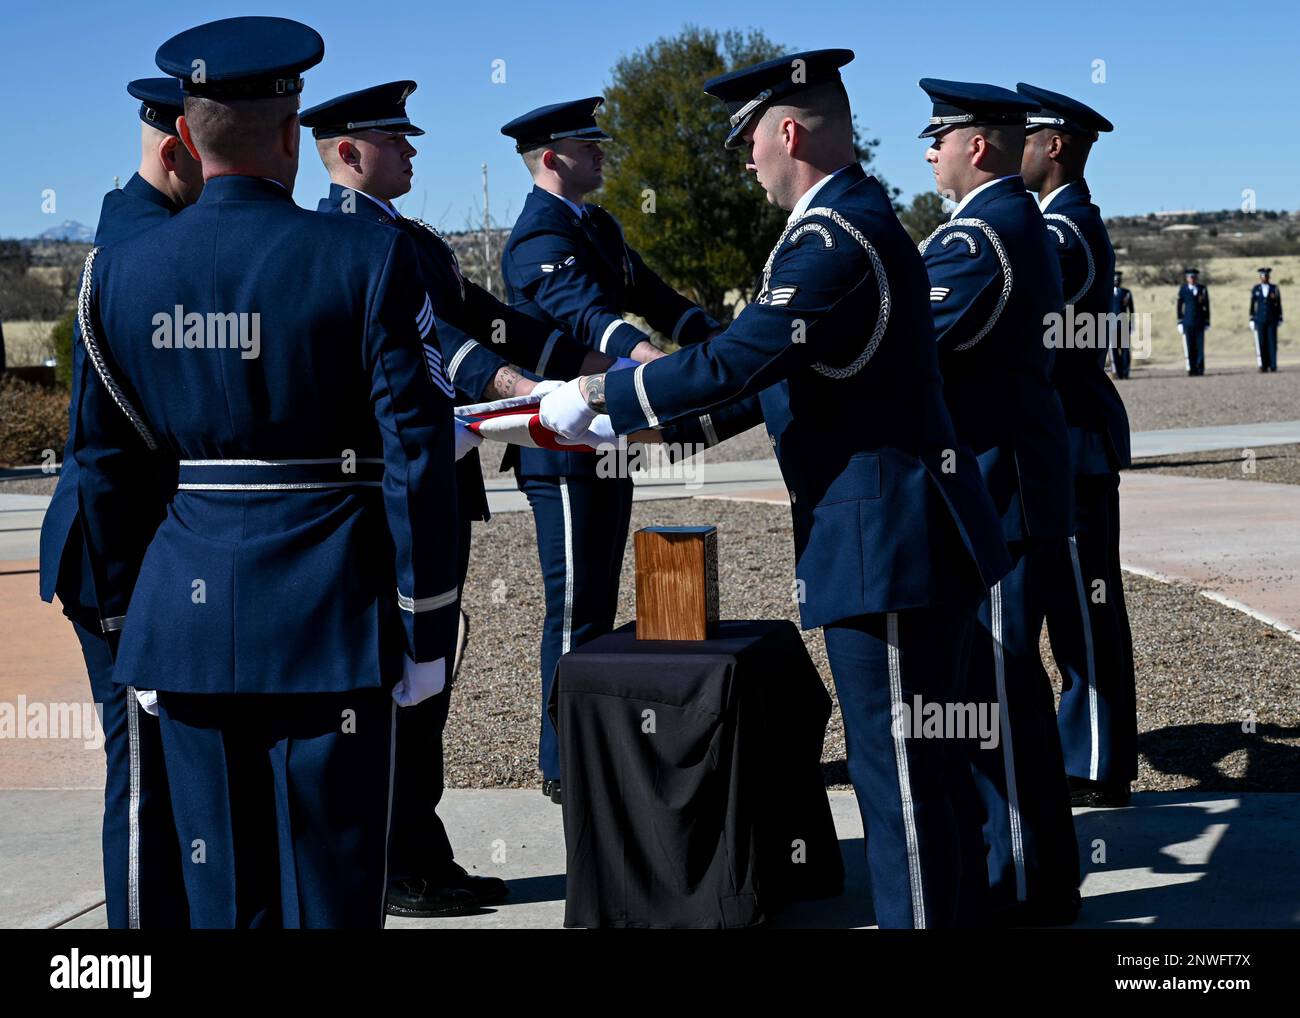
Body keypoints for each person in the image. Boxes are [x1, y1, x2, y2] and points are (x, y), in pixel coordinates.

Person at [540, 50, 1012, 928]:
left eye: (748, 141)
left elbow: (740, 357)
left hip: (892, 542)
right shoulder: (847, 221)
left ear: (787, 131)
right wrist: (626, 428)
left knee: (902, 784)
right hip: (900, 534)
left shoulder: (835, 235)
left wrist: (598, 393)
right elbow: (780, 383)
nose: (746, 161)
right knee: (923, 776)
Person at [75, 16, 461, 928]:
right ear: (293, 133)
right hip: (329, 624)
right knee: (327, 890)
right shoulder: (367, 258)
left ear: (184, 137)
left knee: (218, 893)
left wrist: (134, 619)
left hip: (184, 630)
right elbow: (415, 453)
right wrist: (425, 625)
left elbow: (104, 470)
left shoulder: (115, 276)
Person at [301, 81, 617, 917]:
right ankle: (392, 865)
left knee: (430, 675)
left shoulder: (409, 238)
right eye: (395, 138)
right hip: (386, 495)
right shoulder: (342, 240)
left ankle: (419, 849)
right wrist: (521, 388)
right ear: (348, 151)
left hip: (438, 481)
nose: (412, 149)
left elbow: (487, 317)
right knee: (399, 678)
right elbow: (443, 344)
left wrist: (575, 368)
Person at [499, 96, 720, 804]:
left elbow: (654, 296)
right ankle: (564, 761)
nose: (601, 151)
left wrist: (725, 349)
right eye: (586, 143)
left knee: (598, 601)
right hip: (562, 450)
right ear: (551, 156)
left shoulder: (596, 224)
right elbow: (594, 321)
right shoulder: (538, 237)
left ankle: (589, 747)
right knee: (575, 610)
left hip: (606, 438)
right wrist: (660, 366)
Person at [914, 79, 1080, 924]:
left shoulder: (982, 237)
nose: (928, 153)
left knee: (1006, 693)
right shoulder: (1008, 221)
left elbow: (906, 351)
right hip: (1010, 485)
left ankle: (1023, 881)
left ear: (974, 146)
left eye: (935, 138)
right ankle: (1034, 869)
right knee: (1001, 689)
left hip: (1002, 492)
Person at [37, 75, 201, 929]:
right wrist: (117, 600)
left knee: (165, 769)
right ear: (177, 148)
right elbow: (108, 454)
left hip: (138, 555)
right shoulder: (139, 248)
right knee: (141, 772)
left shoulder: (145, 227)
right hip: (118, 562)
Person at [1019, 82, 1137, 810]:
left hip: (1071, 441)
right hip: (1067, 434)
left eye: (1026, 138)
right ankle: (1087, 751)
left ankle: (1095, 763)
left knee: (1084, 610)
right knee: (1074, 602)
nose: (1016, 150)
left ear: (1055, 146)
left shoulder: (1063, 233)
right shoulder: (1063, 225)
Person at [1177, 268, 1210, 376]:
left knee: (1200, 347)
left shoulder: (1202, 289)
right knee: (1190, 347)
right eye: (1191, 277)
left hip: (1199, 322)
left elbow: (1207, 306)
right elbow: (1179, 306)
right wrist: (1180, 321)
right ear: (1187, 278)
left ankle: (1200, 369)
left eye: (1194, 277)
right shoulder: (1183, 289)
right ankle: (1191, 369)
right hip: (1188, 321)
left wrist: (1207, 321)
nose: (1192, 279)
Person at [1250, 267, 1282, 372]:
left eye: (1266, 276)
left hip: (1272, 319)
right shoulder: (1256, 289)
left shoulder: (1274, 288)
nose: (1265, 278)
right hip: (1260, 319)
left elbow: (1278, 304)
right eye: (1263, 276)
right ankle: (1263, 365)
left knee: (1272, 343)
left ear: (1269, 277)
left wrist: (1280, 317)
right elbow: (1252, 305)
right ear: (1260, 277)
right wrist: (1251, 318)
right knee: (1261, 343)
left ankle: (1273, 365)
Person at [1108, 271, 1135, 378]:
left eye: (1118, 279)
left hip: (1123, 325)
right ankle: (1117, 373)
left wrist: (1132, 324)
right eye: (1115, 279)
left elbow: (1131, 310)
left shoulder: (1126, 293)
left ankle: (1125, 372)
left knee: (1125, 350)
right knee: (1114, 350)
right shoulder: (1107, 292)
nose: (1117, 281)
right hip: (1111, 326)